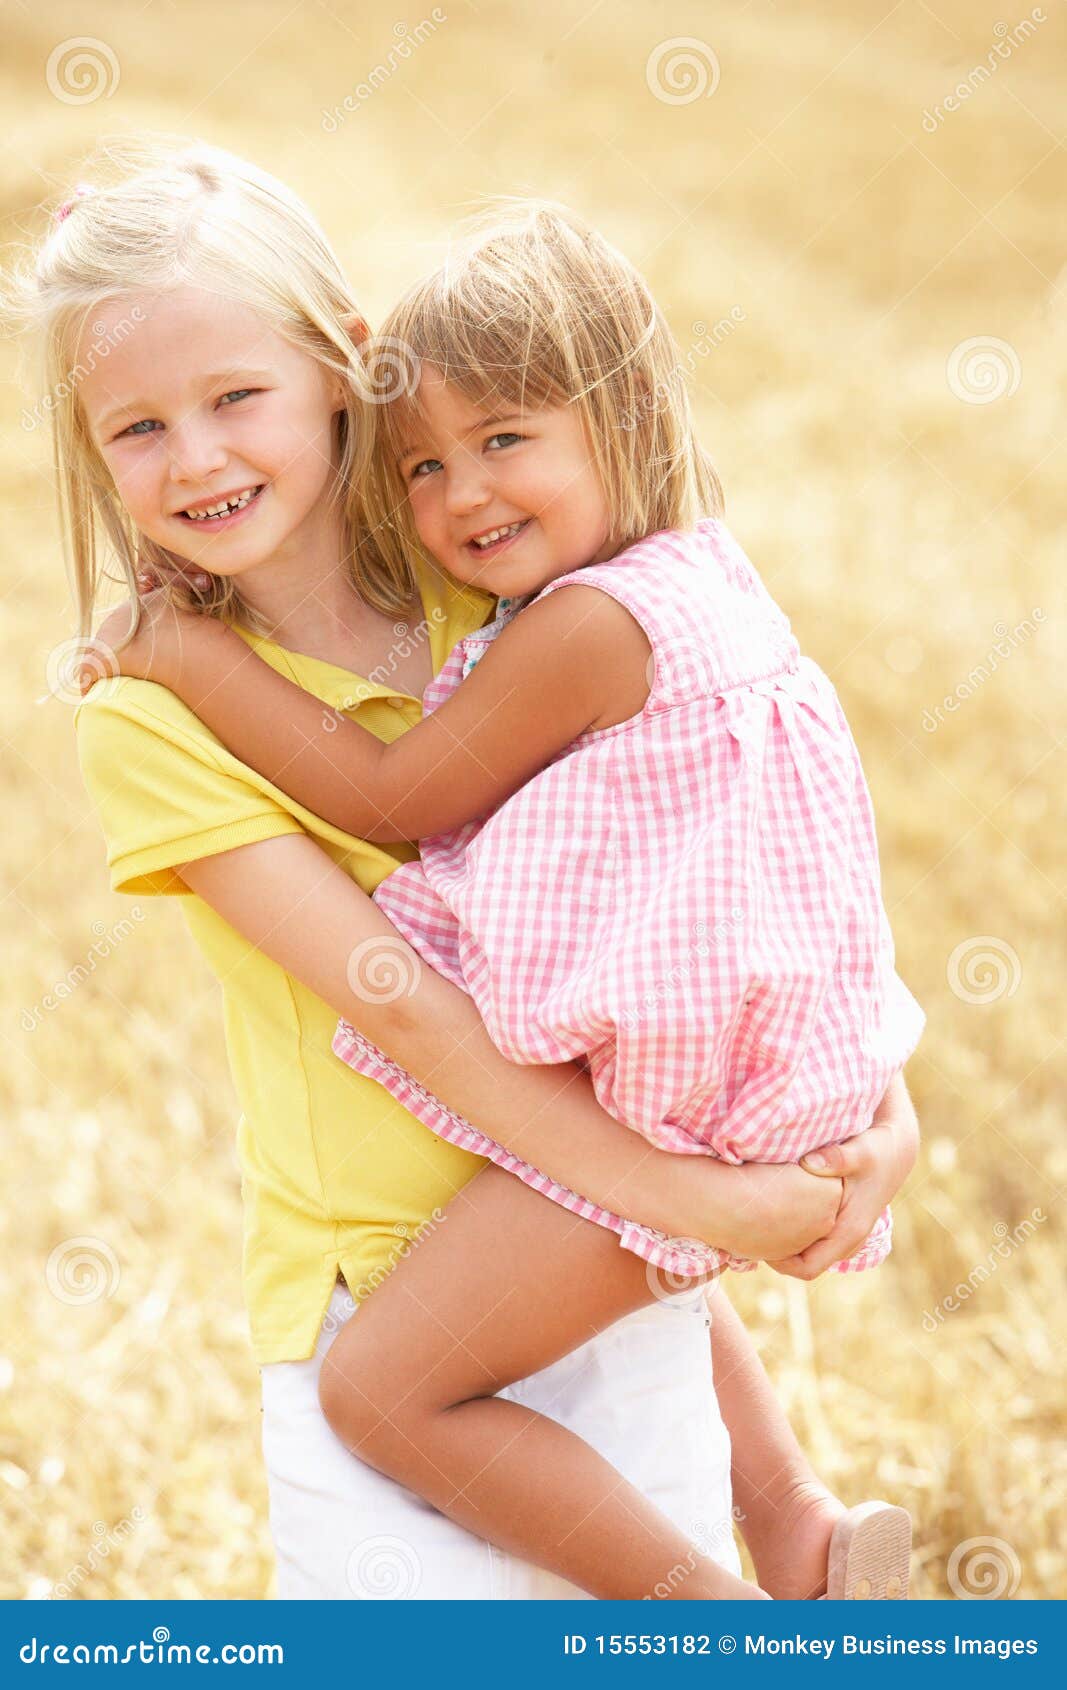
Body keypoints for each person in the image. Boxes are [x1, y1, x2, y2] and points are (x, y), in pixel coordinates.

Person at [16, 139, 918, 1600]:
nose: (195, 457)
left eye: (235, 396)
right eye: (136, 428)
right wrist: (707, 1198)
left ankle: (769, 1565)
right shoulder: (149, 722)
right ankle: (760, 1595)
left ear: (343, 369)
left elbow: (752, 861)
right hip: (378, 1275)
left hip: (613, 1258)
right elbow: (412, 1007)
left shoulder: (504, 590)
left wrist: (886, 1109)